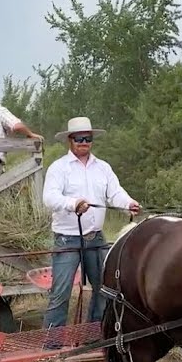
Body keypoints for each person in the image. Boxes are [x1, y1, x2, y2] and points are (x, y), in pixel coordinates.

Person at [41, 116, 141, 335]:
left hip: (95, 238)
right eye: (79, 138)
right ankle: (51, 343)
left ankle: (94, 335)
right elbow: (49, 198)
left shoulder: (103, 168)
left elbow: (115, 193)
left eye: (87, 138)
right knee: (61, 292)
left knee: (104, 288)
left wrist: (129, 204)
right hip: (67, 239)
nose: (84, 142)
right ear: (70, 140)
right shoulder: (59, 168)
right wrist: (73, 203)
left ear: (92, 140)